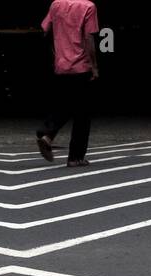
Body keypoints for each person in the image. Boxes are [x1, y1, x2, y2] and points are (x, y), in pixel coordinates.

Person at [35, 0, 100, 168]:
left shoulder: (56, 5)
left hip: (61, 66)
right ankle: (75, 157)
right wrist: (94, 66)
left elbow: (44, 31)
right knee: (82, 115)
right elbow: (88, 37)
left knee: (66, 105)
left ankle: (47, 134)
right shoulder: (88, 7)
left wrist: (56, 55)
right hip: (81, 67)